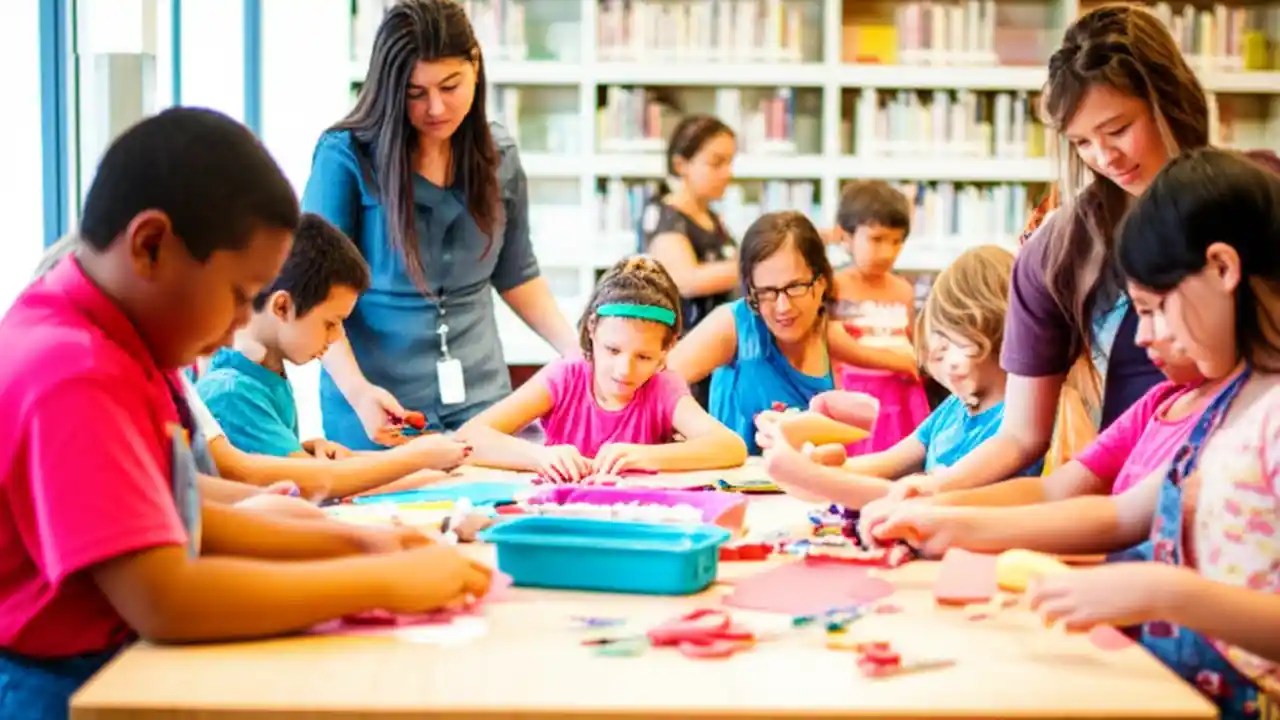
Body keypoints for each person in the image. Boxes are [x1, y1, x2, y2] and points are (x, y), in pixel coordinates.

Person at [0, 108, 492, 720]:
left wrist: (364, 543)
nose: (240, 322)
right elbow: (166, 599)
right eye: (238, 295)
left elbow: (178, 514)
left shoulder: (120, 344)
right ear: (151, 247)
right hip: (65, 687)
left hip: (114, 664)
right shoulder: (75, 370)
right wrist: (382, 582)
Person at [884, 149, 1280, 718]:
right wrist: (951, 522)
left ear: (1222, 268)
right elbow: (1123, 514)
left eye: (1155, 308)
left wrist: (1161, 591)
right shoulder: (1228, 399)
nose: (1145, 337)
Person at [859, 4, 1280, 517]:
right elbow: (1024, 438)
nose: (1105, 158)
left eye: (1119, 128)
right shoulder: (1060, 254)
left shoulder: (1258, 197)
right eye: (1081, 142)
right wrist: (938, 490)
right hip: (1128, 492)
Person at [302, 0, 577, 450]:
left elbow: (517, 274)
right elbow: (314, 294)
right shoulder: (344, 156)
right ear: (390, 89)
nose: (436, 107)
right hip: (377, 402)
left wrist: (580, 353)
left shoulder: (499, 155)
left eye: (451, 86)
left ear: (475, 69)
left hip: (484, 399)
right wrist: (357, 391)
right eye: (415, 93)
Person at [758, 246, 1042, 509]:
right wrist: (822, 465)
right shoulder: (954, 408)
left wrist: (812, 476)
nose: (947, 367)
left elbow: (927, 499)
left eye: (960, 344)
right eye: (938, 350)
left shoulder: (1021, 422)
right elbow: (885, 464)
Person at [460, 257, 747, 481]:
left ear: (668, 348)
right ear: (592, 329)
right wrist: (539, 457)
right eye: (612, 350)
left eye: (644, 357)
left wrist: (645, 457)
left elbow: (730, 447)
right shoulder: (566, 376)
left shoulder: (662, 388)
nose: (624, 370)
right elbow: (468, 438)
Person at [666, 211, 918, 455]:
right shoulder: (735, 324)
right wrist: (698, 432)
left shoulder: (832, 334)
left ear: (820, 284)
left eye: (795, 287)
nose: (783, 307)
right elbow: (654, 384)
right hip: (734, 487)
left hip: (811, 488)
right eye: (767, 292)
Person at [640, 114, 739, 407]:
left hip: (717, 355)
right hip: (685, 357)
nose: (727, 173)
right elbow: (687, 280)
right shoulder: (665, 215)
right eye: (716, 162)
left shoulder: (713, 218)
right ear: (681, 164)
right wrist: (760, 265)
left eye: (730, 162)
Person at [829, 180, 930, 454]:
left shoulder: (903, 290)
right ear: (845, 236)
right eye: (876, 239)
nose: (888, 252)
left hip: (900, 397)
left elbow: (911, 340)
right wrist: (897, 362)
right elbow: (834, 342)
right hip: (854, 397)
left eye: (897, 241)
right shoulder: (835, 285)